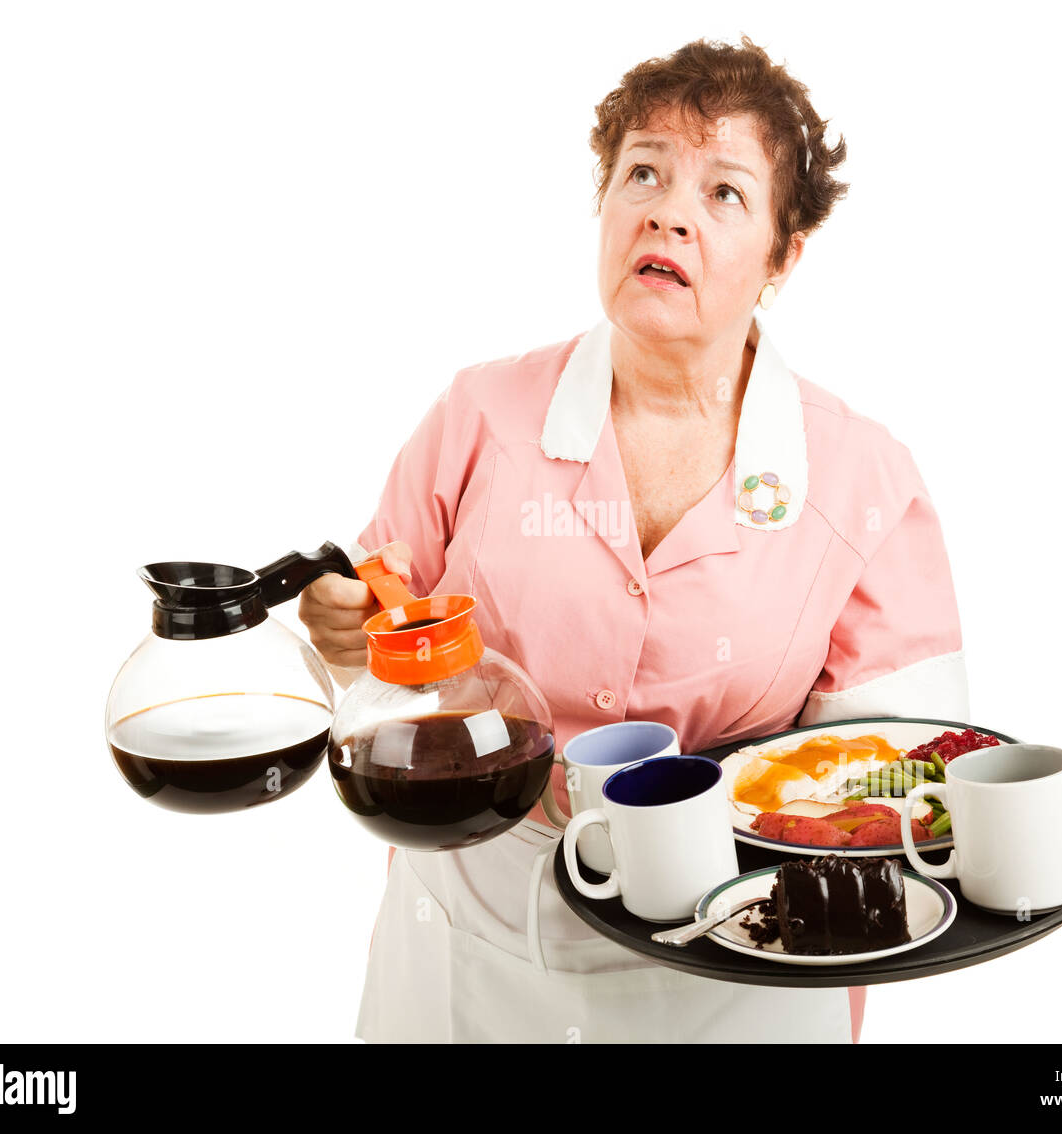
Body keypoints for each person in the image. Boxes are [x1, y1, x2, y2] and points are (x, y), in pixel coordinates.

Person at [299, 36, 968, 1043]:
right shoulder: (480, 414)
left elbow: (896, 779)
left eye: (724, 194)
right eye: (642, 173)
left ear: (783, 258)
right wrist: (347, 625)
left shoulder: (862, 481)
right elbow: (378, 622)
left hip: (732, 952)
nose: (668, 212)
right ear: (604, 206)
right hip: (472, 937)